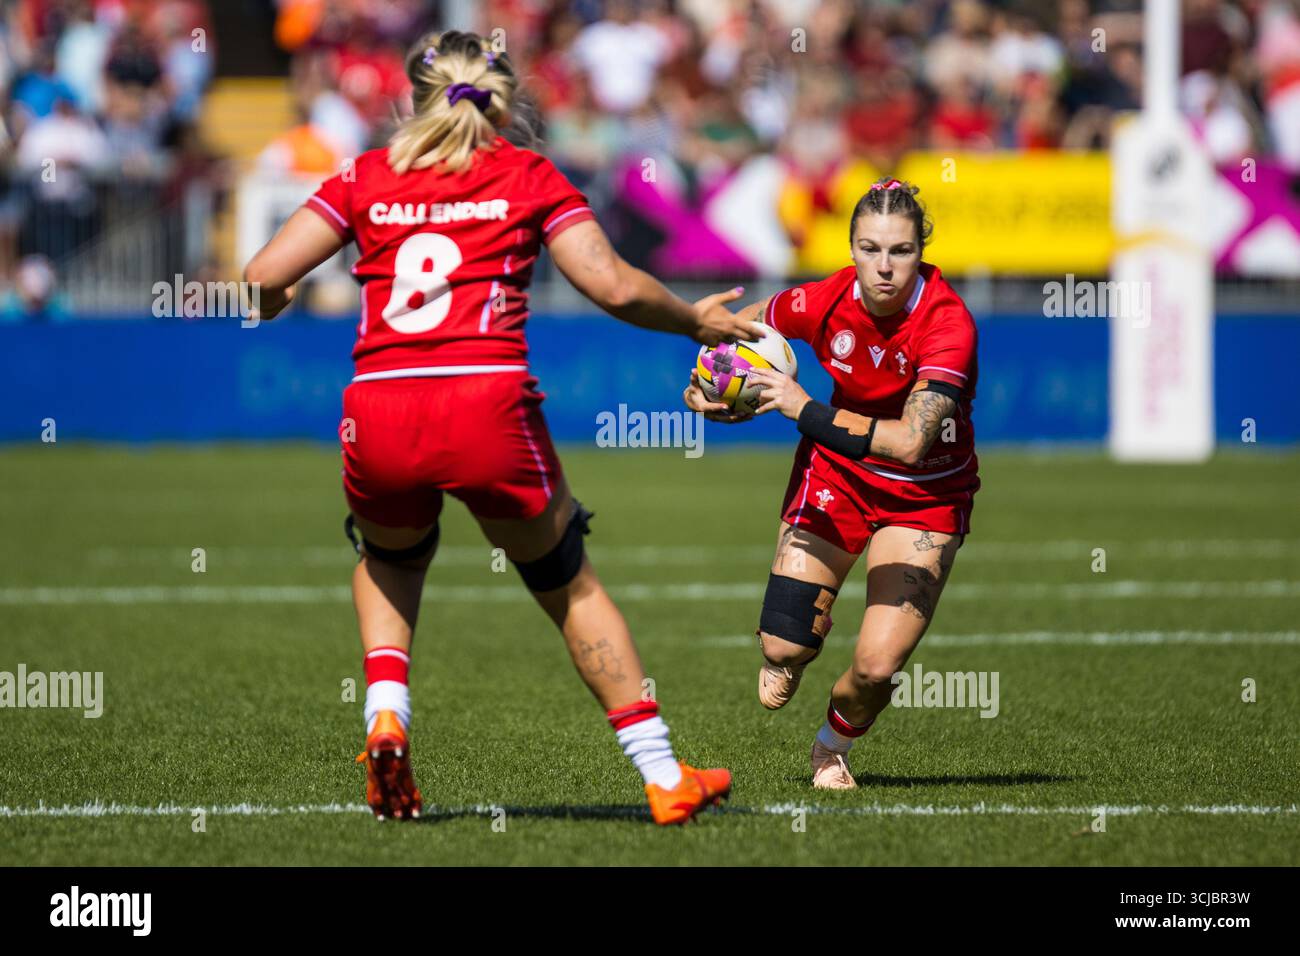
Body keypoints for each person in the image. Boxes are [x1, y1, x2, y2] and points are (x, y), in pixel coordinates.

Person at [243, 30, 762, 823]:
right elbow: (613, 286)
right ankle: (663, 776)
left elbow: (261, 279)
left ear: (415, 99)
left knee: (390, 559)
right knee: (567, 583)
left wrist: (274, 301)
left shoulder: (366, 177)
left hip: (379, 407)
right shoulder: (526, 175)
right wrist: (693, 321)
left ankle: (386, 714)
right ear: (508, 102)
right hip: (485, 404)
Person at [684, 178, 980, 789]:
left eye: (900, 251)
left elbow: (908, 442)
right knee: (783, 649)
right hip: (837, 476)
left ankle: (832, 747)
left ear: (921, 250)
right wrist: (712, 386)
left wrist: (802, 408)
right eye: (870, 249)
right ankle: (796, 641)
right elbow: (739, 334)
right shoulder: (824, 299)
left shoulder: (948, 323)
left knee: (876, 668)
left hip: (925, 497)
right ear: (850, 248)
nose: (885, 267)